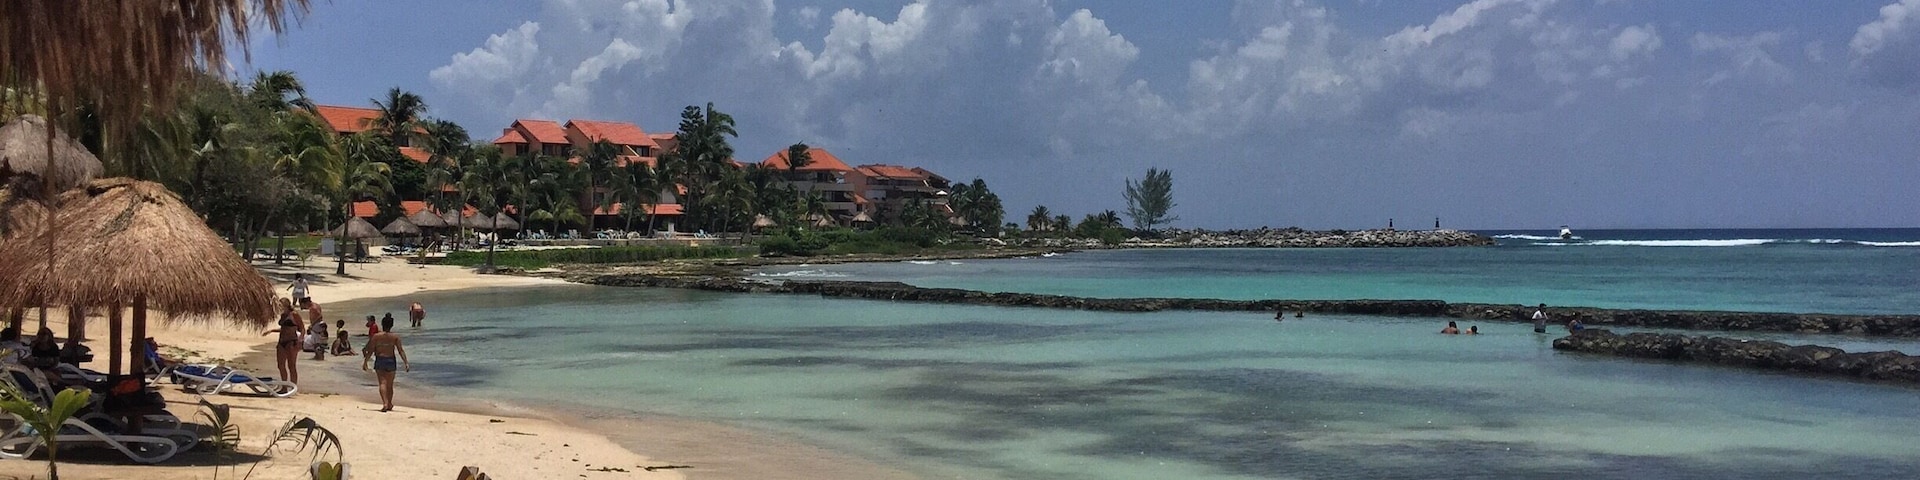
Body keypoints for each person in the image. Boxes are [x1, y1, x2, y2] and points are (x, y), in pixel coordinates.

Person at [362, 315, 410, 412]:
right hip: (391, 360)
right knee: (390, 384)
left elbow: (371, 350)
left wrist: (365, 362)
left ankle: (385, 403)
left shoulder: (376, 336)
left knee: (382, 383)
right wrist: (406, 362)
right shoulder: (395, 337)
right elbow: (401, 351)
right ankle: (389, 403)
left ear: (382, 324)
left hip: (380, 359)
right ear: (392, 325)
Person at [262, 298, 304, 384]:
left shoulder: (294, 314)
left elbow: (302, 328)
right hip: (282, 341)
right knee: (280, 365)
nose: (279, 308)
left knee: (291, 366)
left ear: (286, 306)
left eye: (281, 306)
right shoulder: (283, 315)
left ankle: (293, 386)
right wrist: (272, 331)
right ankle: (284, 386)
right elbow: (284, 328)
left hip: (291, 341)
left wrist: (300, 340)